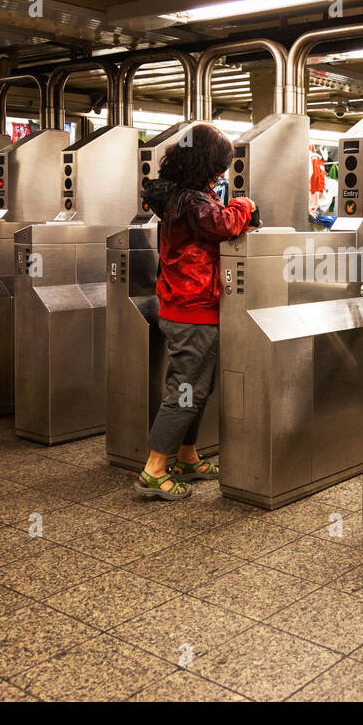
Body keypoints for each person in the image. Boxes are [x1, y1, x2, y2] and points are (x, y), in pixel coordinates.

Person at [134, 124, 258, 499]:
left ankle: (187, 456)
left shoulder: (182, 196)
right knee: (186, 390)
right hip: (192, 308)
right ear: (205, 162)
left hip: (185, 306)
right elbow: (225, 225)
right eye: (219, 164)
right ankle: (154, 471)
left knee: (197, 389)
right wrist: (244, 204)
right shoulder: (192, 202)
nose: (222, 172)